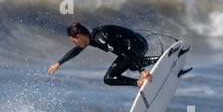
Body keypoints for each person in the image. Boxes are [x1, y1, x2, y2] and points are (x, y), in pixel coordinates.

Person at [48, 23, 188, 88]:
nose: (74, 43)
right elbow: (76, 51)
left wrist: (143, 71)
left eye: (74, 40)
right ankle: (166, 58)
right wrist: (59, 63)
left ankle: (140, 82)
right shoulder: (91, 36)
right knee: (132, 66)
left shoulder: (101, 38)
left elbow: (123, 52)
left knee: (109, 78)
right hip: (138, 43)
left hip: (135, 46)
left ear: (78, 36)